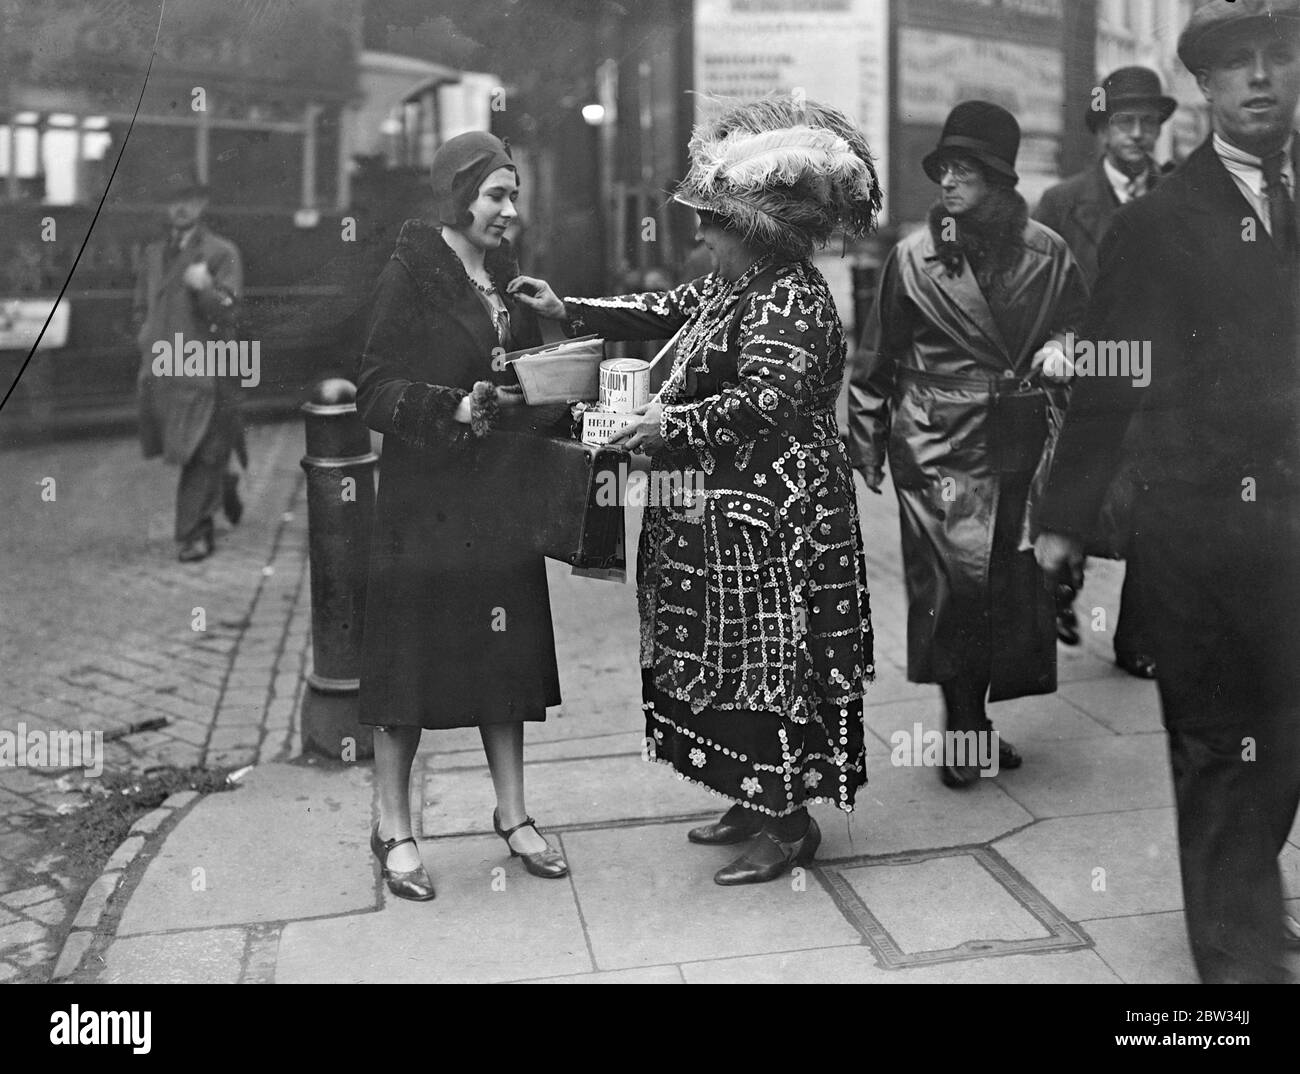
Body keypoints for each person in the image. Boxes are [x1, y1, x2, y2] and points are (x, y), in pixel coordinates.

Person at [512, 97, 880, 885]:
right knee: (714, 659)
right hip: (713, 515)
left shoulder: (792, 298)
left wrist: (662, 427)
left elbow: (763, 403)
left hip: (774, 527)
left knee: (766, 664)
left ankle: (788, 823)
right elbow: (657, 311)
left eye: (712, 222)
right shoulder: (731, 288)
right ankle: (749, 795)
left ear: (751, 231)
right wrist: (568, 306)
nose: (700, 235)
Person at [1035, 0, 1300, 983]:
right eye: (1237, 66)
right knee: (1217, 742)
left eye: (1278, 57)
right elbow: (1107, 374)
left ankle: (1246, 898)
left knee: (1281, 742)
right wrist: (1063, 525)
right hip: (1197, 528)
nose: (1261, 79)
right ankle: (1237, 964)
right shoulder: (1156, 223)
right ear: (1204, 85)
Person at [846, 101, 1088, 788]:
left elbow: (1079, 327)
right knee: (951, 586)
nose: (947, 182)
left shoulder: (1049, 252)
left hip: (1017, 435)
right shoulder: (911, 259)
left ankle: (975, 722)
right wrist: (866, 441)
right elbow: (876, 359)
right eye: (943, 169)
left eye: (965, 171)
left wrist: (1061, 350)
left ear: (1000, 181)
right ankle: (960, 728)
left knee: (1003, 585)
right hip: (933, 441)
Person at [355, 132, 569, 901]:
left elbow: (520, 379)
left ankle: (512, 815)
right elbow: (374, 387)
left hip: (498, 498)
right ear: (459, 197)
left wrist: (546, 389)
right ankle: (395, 827)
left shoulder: (507, 279)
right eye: (497, 196)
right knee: (407, 662)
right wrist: (453, 407)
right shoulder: (411, 273)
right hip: (425, 504)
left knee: (501, 661)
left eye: (514, 196)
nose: (510, 211)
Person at [1033, 66, 1176, 677]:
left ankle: (1136, 637)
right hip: (1083, 373)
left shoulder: (1177, 198)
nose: (1139, 134)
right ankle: (1057, 592)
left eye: (1150, 123)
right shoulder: (1063, 203)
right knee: (1076, 492)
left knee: (1156, 502)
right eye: (1125, 122)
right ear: (1102, 129)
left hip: (1161, 377)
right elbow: (1036, 290)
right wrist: (1054, 344)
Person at [134, 182, 246, 563]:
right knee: (187, 446)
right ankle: (227, 477)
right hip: (164, 369)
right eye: (173, 199)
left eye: (190, 199)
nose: (181, 208)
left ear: (203, 203)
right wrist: (146, 337)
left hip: (206, 369)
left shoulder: (220, 252)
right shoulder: (153, 254)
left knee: (200, 450)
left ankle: (195, 533)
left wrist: (206, 288)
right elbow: (141, 306)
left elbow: (229, 310)